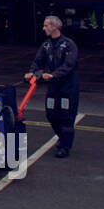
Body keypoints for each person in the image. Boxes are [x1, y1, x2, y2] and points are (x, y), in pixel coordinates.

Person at [24, 15, 80, 157]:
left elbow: (69, 64)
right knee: (51, 114)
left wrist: (54, 74)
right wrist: (32, 72)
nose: (43, 28)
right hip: (54, 87)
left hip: (68, 88)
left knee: (67, 117)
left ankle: (64, 147)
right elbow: (38, 61)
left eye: (46, 25)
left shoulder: (69, 44)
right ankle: (62, 138)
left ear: (54, 27)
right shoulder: (46, 45)